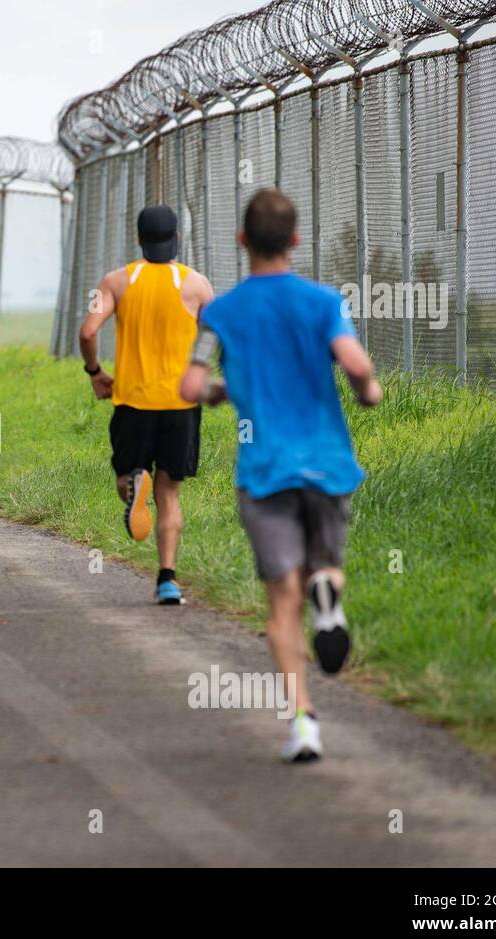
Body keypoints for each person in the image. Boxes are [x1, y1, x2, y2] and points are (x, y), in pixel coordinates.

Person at [179, 188, 382, 763]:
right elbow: (357, 364)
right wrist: (367, 390)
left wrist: (222, 391)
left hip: (264, 468)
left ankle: (303, 722)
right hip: (327, 464)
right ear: (295, 240)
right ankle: (330, 598)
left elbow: (191, 387)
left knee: (280, 600)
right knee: (326, 567)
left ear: (242, 240)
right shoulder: (322, 303)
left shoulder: (221, 313)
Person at [79, 205, 214, 604]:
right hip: (180, 404)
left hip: (133, 403)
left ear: (138, 239)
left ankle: (136, 484)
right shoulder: (196, 284)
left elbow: (88, 332)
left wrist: (95, 373)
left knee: (127, 480)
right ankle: (168, 580)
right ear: (177, 239)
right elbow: (218, 332)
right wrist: (200, 368)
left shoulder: (119, 281)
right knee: (170, 494)